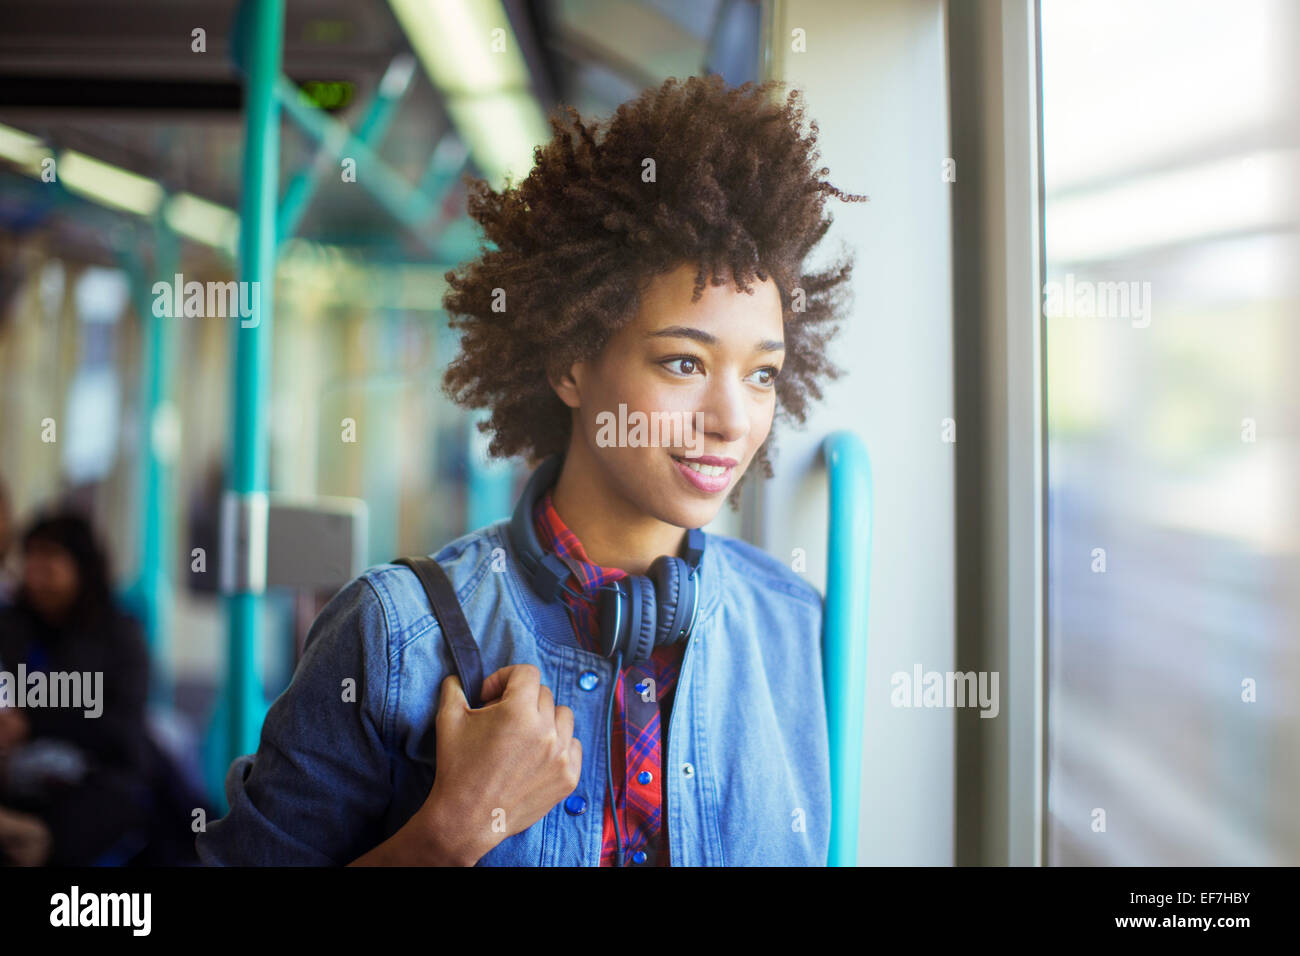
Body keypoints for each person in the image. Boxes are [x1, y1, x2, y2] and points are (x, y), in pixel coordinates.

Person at [197, 73, 865, 866]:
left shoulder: (795, 628)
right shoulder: (392, 639)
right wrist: (450, 833)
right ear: (572, 364)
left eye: (762, 374)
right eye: (684, 362)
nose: (731, 420)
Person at [0, 511, 153, 865]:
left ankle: (34, 839)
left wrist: (33, 725)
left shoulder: (119, 636)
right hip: (15, 774)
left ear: (82, 567)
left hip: (98, 777)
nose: (38, 576)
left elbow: (121, 731)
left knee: (95, 812)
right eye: (32, 561)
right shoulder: (12, 628)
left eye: (51, 562)